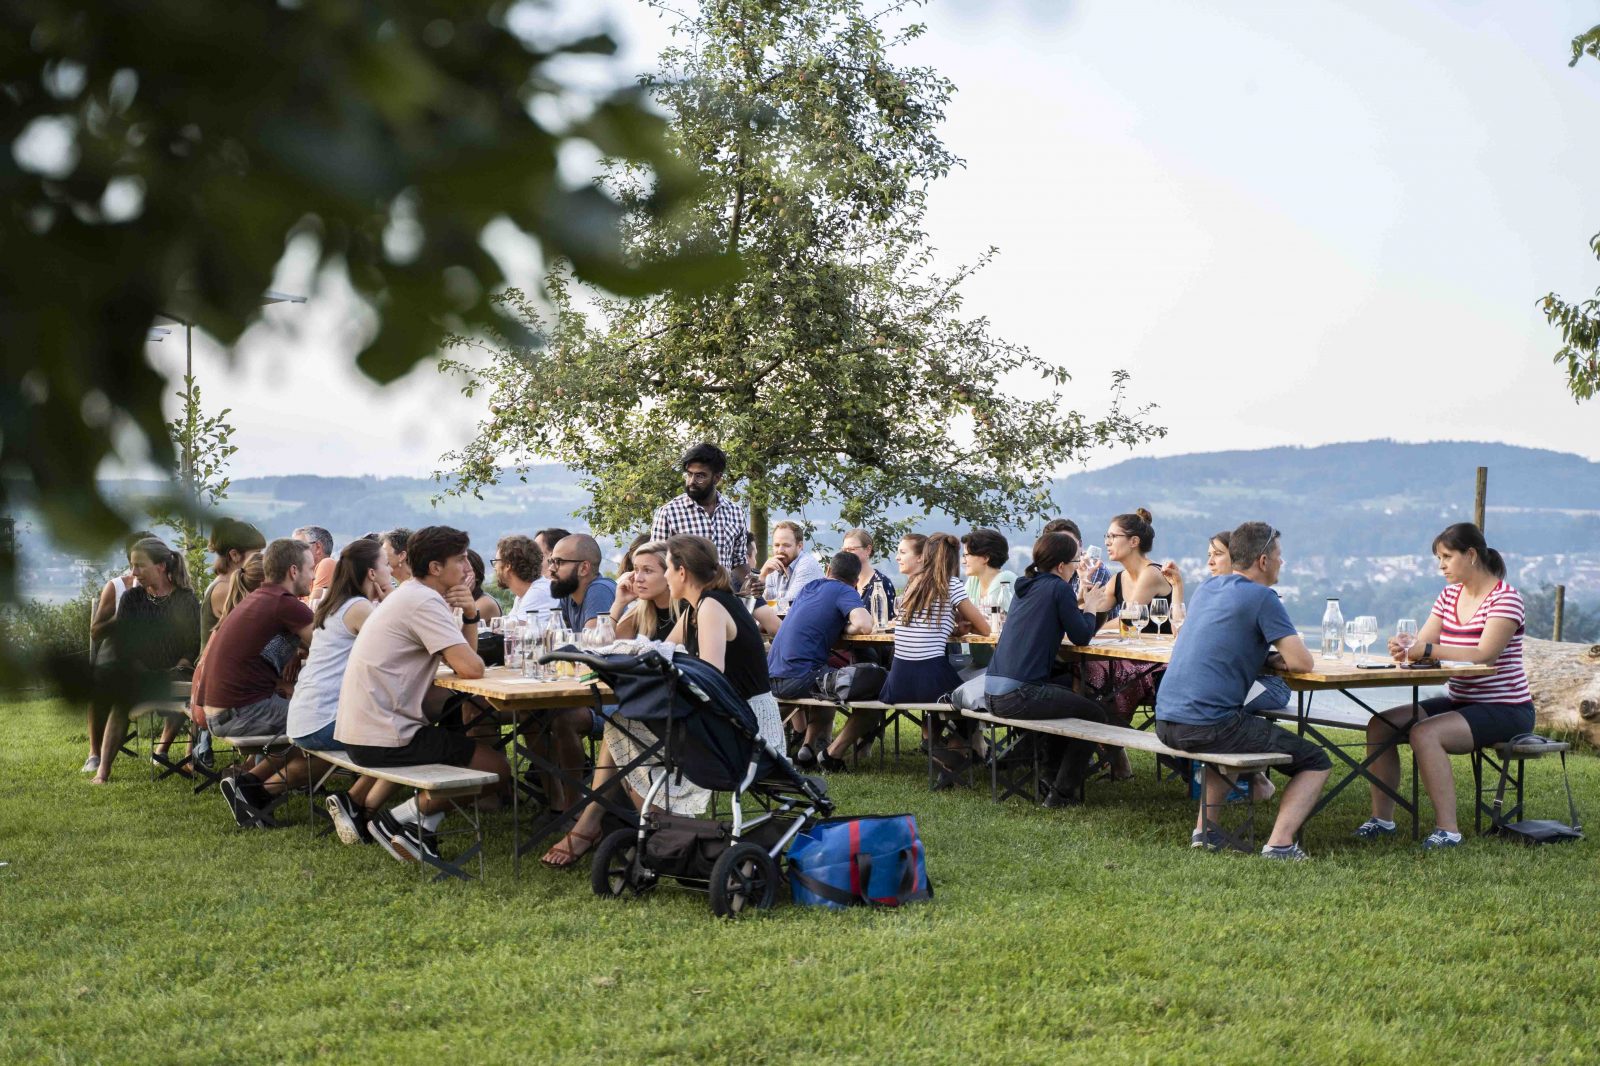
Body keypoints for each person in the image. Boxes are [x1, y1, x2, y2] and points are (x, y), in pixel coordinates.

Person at [540, 534, 778, 869]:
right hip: (726, 716)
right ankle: (658, 827)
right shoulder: (698, 607)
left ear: (681, 573)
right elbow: (659, 655)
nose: (660, 577)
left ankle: (657, 829)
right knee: (624, 722)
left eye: (664, 570)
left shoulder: (711, 606)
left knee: (626, 722)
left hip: (746, 726)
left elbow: (710, 679)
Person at [1154, 522, 1330, 860]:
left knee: (1230, 732)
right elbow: (1302, 663)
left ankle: (1206, 831)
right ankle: (1280, 845)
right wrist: (1278, 659)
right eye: (1279, 557)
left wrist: (1267, 656)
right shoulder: (1263, 597)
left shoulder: (1208, 588)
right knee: (1316, 760)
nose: (1282, 563)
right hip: (1208, 725)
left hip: (1167, 721)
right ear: (1263, 561)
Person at [335, 526, 510, 865]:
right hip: (384, 735)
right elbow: (472, 668)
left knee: (454, 728)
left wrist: (470, 615)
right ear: (435, 568)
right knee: (498, 769)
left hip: (366, 728)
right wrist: (471, 616)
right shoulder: (423, 603)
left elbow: (463, 664)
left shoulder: (413, 595)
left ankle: (420, 827)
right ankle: (395, 821)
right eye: (459, 560)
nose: (466, 568)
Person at [1356, 522, 1534, 850]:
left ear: (1471, 555)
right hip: (1460, 700)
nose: (1441, 566)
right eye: (1438, 558)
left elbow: (1483, 655)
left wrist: (1425, 651)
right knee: (1380, 725)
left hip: (1506, 709)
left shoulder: (1505, 599)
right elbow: (1424, 643)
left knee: (1426, 732)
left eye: (1446, 557)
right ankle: (1382, 820)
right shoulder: (1449, 595)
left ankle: (1448, 831)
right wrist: (1406, 649)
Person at [822, 533, 988, 774]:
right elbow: (984, 629)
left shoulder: (913, 583)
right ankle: (953, 757)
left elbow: (922, 624)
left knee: (945, 690)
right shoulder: (951, 585)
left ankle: (931, 743)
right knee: (968, 698)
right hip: (931, 681)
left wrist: (952, 628)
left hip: (897, 683)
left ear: (926, 557)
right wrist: (962, 628)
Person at [286, 537, 397, 845]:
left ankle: (355, 803)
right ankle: (356, 804)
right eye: (386, 565)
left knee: (401, 728)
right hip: (324, 719)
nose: (391, 571)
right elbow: (398, 649)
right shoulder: (359, 608)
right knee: (405, 736)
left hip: (304, 715)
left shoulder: (335, 603)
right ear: (372, 574)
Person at [981, 531, 1105, 806]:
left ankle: (1045, 771)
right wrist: (1093, 605)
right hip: (1019, 695)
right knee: (1095, 713)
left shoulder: (1027, 585)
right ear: (1061, 566)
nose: (1077, 567)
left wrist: (1081, 600)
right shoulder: (1058, 587)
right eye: (1074, 562)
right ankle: (1061, 794)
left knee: (1063, 689)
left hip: (992, 691)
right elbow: (1082, 636)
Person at [203, 538, 317, 827]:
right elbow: (334, 650)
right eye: (310, 569)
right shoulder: (286, 603)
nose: (313, 576)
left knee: (308, 730)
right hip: (241, 711)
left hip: (221, 710)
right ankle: (255, 792)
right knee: (326, 730)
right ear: (294, 571)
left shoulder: (260, 597)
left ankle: (249, 786)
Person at [89, 537, 200, 783]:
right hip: (139, 671)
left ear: (161, 566)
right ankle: (102, 771)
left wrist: (183, 662)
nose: (134, 572)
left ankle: (166, 751)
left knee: (191, 690)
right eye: (132, 565)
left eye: (140, 565)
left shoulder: (186, 599)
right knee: (121, 702)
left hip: (176, 671)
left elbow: (192, 644)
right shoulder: (132, 599)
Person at [767, 552, 875, 766]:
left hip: (770, 676)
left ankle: (809, 747)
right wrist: (848, 626)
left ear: (828, 570)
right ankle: (832, 754)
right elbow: (865, 625)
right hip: (799, 679)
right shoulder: (845, 591)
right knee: (876, 685)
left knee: (827, 680)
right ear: (855, 581)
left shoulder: (810, 587)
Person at [82, 530, 154, 774]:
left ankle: (164, 751)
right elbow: (96, 631)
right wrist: (121, 618)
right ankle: (94, 753)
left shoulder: (165, 589)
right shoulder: (116, 587)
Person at [649, 442, 752, 588]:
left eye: (700, 476)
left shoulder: (735, 512)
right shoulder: (668, 512)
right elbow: (656, 562)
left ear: (717, 478)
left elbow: (738, 561)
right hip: (682, 602)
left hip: (723, 600)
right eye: (689, 474)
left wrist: (751, 582)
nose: (692, 481)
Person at [607, 540, 678, 641]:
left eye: (647, 570)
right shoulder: (641, 612)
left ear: (668, 574)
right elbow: (602, 646)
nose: (638, 578)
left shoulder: (689, 613)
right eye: (636, 570)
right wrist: (618, 604)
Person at [549, 533, 617, 631]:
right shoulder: (569, 594)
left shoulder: (599, 590)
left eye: (559, 562)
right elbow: (557, 637)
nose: (551, 568)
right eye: (551, 561)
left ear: (584, 568)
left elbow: (593, 644)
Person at [756, 520, 824, 613]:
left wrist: (761, 608)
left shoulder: (807, 565)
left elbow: (790, 605)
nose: (780, 550)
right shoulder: (773, 566)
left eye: (786, 545)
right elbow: (752, 602)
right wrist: (762, 575)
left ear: (799, 546)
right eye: (776, 545)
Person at [841, 527, 897, 620]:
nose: (847, 553)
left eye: (852, 549)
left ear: (868, 549)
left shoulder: (882, 583)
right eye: (845, 550)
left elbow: (888, 622)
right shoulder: (844, 583)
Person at [493, 534, 548, 623]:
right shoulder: (522, 596)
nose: (495, 567)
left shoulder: (538, 592)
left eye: (496, 562)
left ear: (508, 566)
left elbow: (514, 630)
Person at [292, 525, 336, 604]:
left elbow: (312, 609)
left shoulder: (327, 563)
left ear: (318, 548)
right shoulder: (304, 576)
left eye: (298, 547)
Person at [464, 549, 503, 627]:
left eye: (466, 571)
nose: (461, 576)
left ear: (477, 576)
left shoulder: (485, 602)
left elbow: (453, 630)